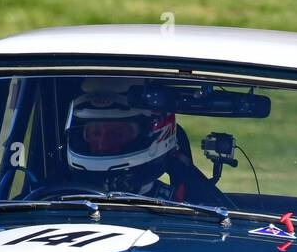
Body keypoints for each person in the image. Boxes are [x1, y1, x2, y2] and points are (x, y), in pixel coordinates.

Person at [63, 83, 218, 202]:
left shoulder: (182, 207)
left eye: (116, 134)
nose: (102, 144)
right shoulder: (57, 199)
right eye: (95, 133)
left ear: (155, 133)